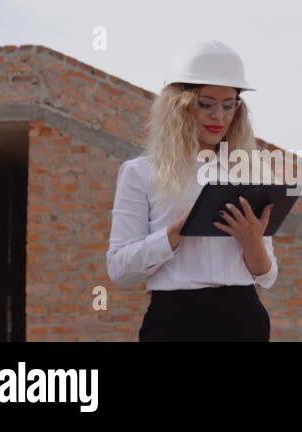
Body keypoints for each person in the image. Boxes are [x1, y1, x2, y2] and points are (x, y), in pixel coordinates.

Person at [106, 40, 278, 342]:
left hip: (243, 320)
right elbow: (120, 270)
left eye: (229, 105)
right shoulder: (140, 172)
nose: (219, 116)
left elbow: (268, 276)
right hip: (174, 322)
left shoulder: (250, 172)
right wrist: (174, 233)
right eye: (206, 103)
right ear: (179, 105)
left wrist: (253, 242)